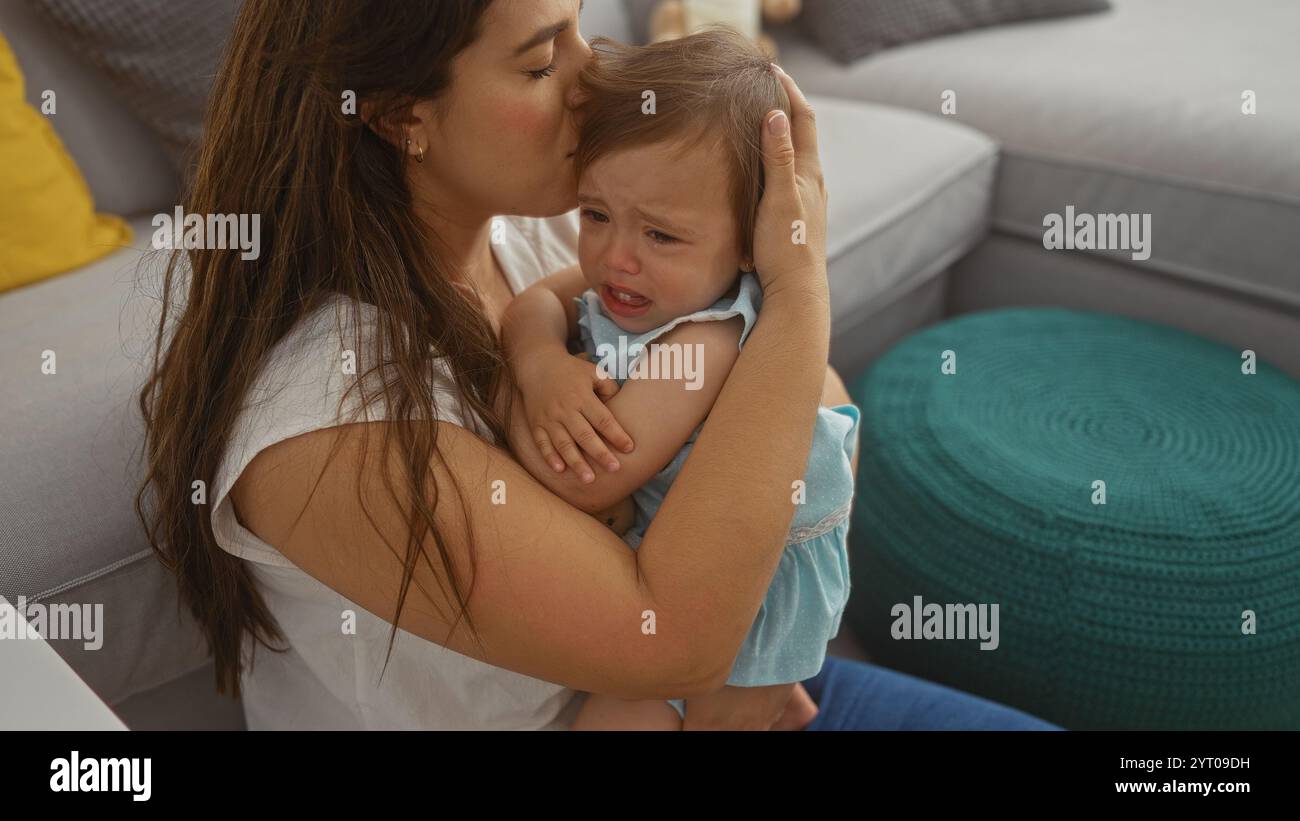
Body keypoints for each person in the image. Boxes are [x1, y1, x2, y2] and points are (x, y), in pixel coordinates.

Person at [137, 0, 1058, 731]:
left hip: (739, 685)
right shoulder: (328, 416)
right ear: (397, 114)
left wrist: (761, 653)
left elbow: (824, 410)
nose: (596, 78)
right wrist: (795, 287)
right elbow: (669, 634)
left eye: (582, 27)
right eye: (542, 61)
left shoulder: (553, 240)